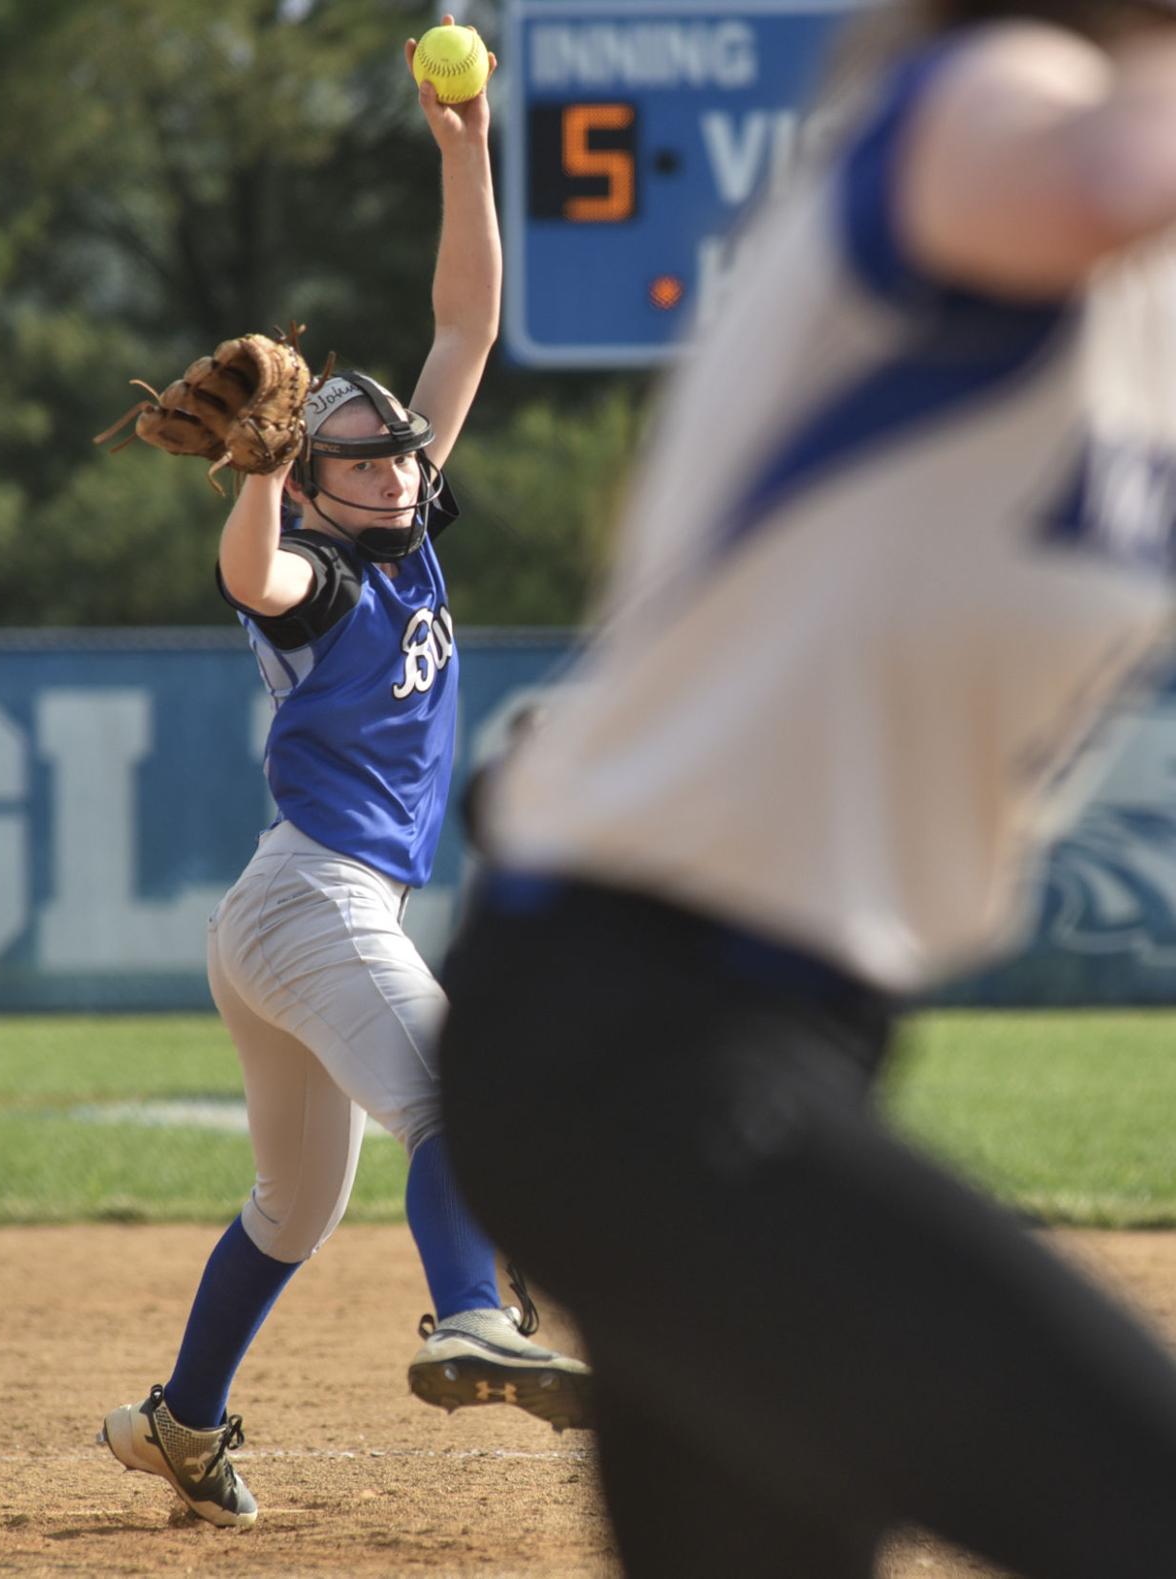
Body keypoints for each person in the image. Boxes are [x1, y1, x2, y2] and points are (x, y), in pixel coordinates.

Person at [436, 3, 1176, 1576]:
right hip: (630, 1045)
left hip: (764, 1047)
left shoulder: (1143, 319)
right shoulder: (998, 97)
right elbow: (1106, 177)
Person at [99, 19, 589, 1532]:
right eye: (358, 453)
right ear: (310, 477)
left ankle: (180, 1422)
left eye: (395, 449)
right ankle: (464, 1315)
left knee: (293, 1208)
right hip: (312, 903)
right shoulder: (309, 570)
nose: (391, 462)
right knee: (461, 1097)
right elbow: (246, 569)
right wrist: (257, 471)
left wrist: (473, 152)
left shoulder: (407, 522)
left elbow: (471, 315)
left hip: (285, 918)